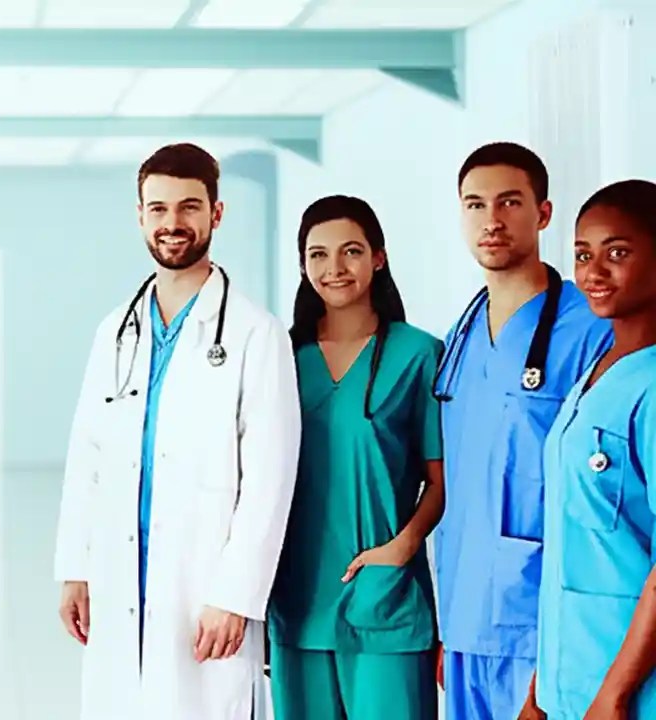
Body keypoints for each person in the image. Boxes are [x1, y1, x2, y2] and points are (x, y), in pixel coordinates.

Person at [53, 142, 301, 719]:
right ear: (140, 215)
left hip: (204, 584)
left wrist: (235, 595)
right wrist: (76, 566)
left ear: (216, 214)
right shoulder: (116, 331)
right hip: (120, 572)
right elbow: (86, 456)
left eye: (189, 207)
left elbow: (269, 480)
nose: (173, 223)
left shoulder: (255, 334)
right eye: (158, 208)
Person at [432, 142, 613, 720]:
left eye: (509, 202)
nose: (491, 220)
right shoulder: (458, 335)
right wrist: (447, 628)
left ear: (543, 213)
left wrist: (561, 652)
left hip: (543, 624)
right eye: (475, 204)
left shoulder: (590, 328)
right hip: (463, 623)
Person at [268, 195, 443, 719]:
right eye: (317, 255)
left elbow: (440, 479)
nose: (334, 268)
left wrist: (402, 547)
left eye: (350, 251)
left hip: (383, 597)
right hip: (297, 598)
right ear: (302, 266)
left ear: (378, 258)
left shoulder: (417, 354)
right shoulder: (280, 358)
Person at [534, 179, 656, 719]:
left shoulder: (651, 387)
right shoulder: (594, 377)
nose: (593, 272)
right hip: (570, 682)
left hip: (629, 692)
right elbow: (571, 550)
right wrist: (539, 690)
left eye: (618, 253)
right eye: (583, 254)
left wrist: (616, 693)